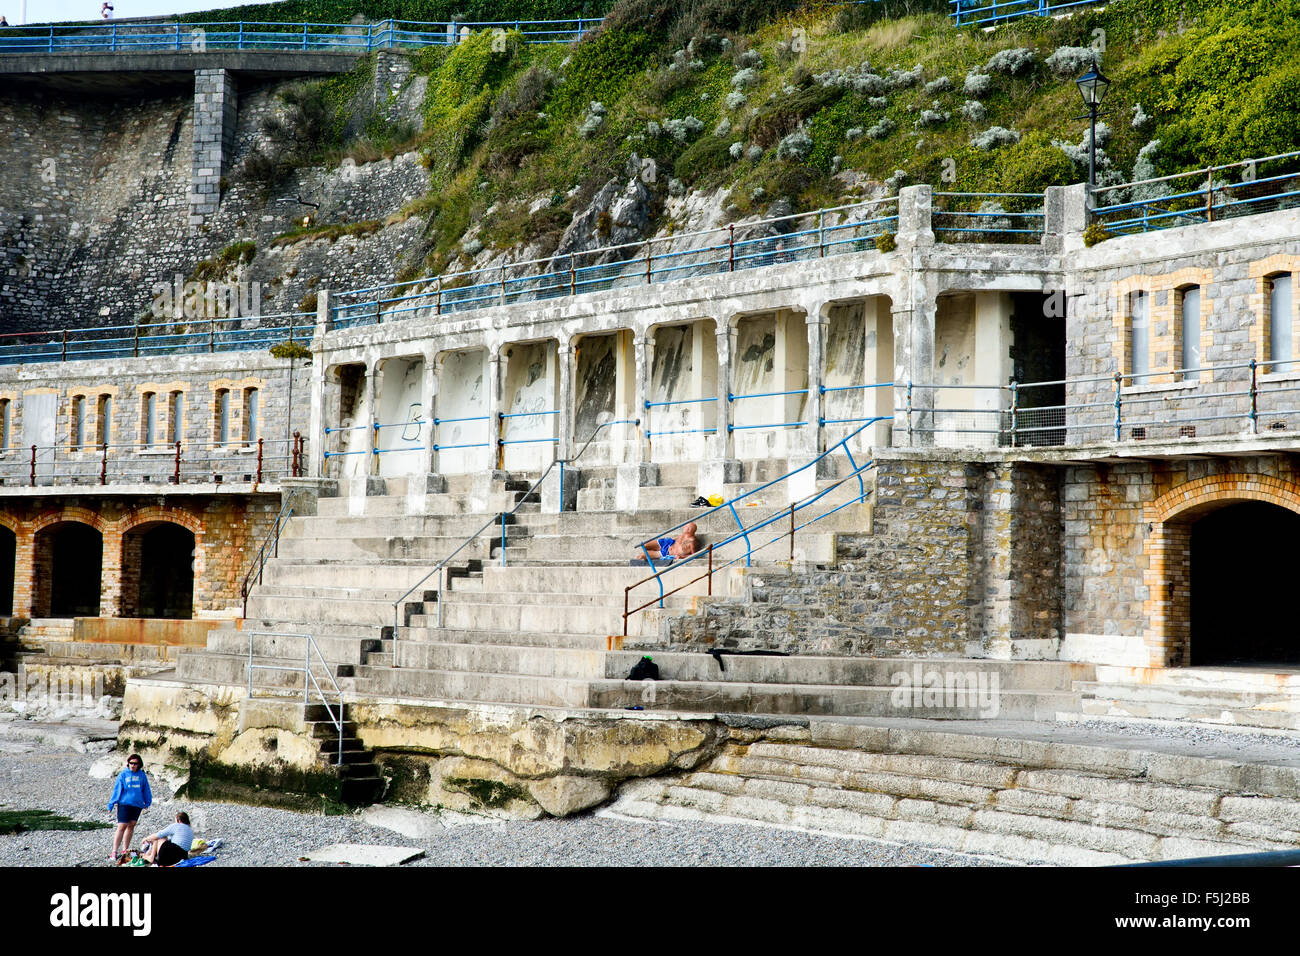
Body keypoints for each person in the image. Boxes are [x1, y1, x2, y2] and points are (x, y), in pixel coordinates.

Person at [107, 754, 152, 863]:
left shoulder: (142, 775)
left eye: (135, 763)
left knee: (131, 825)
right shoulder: (123, 774)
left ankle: (125, 849)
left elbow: (146, 789)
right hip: (124, 803)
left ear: (139, 764)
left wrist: (147, 801)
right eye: (131, 763)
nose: (133, 765)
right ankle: (114, 851)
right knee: (122, 826)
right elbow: (117, 789)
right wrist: (112, 803)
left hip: (137, 804)